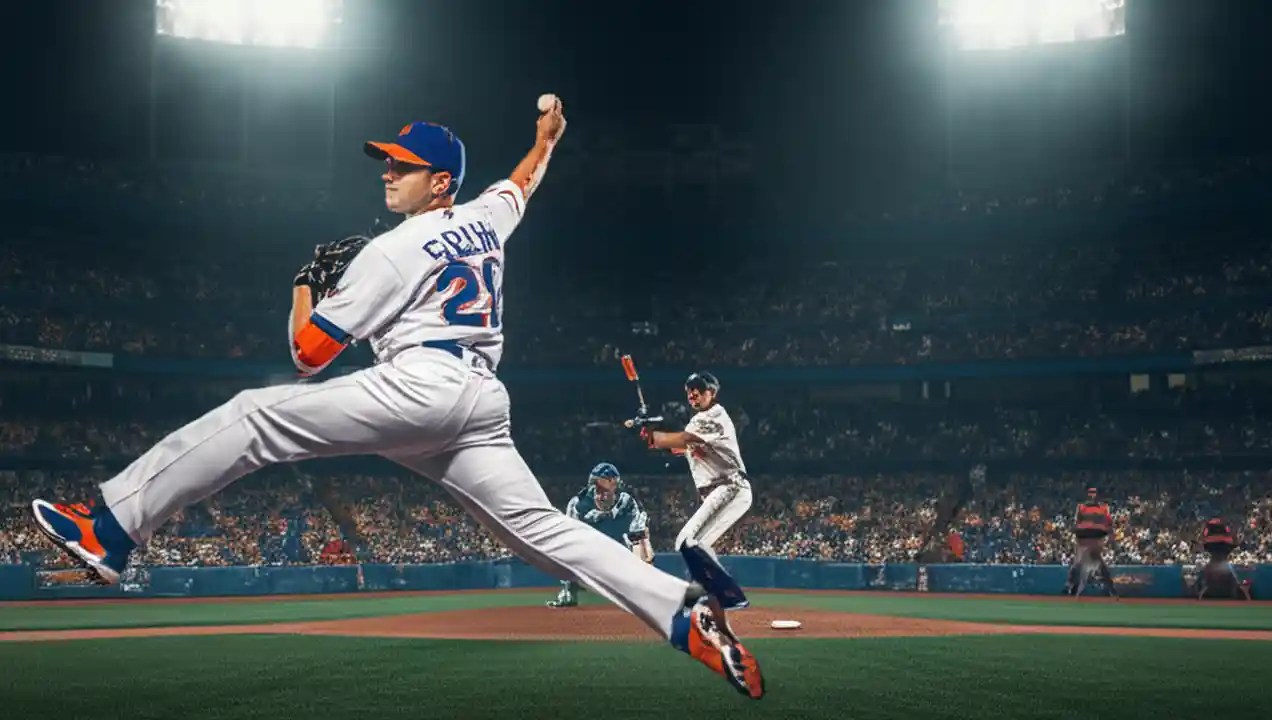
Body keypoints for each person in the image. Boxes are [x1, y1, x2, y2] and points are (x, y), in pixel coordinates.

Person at [29, 98, 764, 699]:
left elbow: (309, 355)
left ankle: (112, 531)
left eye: (405, 167)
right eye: (388, 161)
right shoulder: (484, 218)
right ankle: (681, 614)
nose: (389, 172)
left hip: (421, 386)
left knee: (258, 413)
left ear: (440, 181)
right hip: (478, 401)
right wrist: (546, 137)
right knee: (539, 529)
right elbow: (524, 183)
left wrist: (302, 285)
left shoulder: (393, 249)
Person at [640, 372, 753, 555]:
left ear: (712, 392)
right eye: (689, 391)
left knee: (685, 542)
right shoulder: (698, 421)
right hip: (725, 491)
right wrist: (654, 439)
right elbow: (682, 447)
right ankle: (707, 583)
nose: (692, 394)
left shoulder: (714, 414)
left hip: (730, 487)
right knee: (696, 547)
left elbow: (685, 439)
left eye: (697, 389)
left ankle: (705, 582)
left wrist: (656, 438)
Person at [547, 462, 654, 608]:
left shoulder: (628, 503)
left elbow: (639, 538)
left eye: (604, 487)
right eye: (596, 487)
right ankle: (569, 590)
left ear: (614, 485)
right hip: (590, 552)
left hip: (618, 552)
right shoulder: (577, 505)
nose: (600, 493)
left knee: (638, 545)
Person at [1064, 487, 1118, 598]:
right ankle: (1070, 586)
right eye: (1090, 493)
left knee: (1101, 566)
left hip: (1096, 539)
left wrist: (1111, 537)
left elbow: (1109, 524)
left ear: (1098, 495)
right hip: (1084, 539)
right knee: (1077, 563)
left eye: (1094, 493)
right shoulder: (1081, 507)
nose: (1092, 496)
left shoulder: (1103, 508)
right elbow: (1077, 523)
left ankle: (1111, 589)